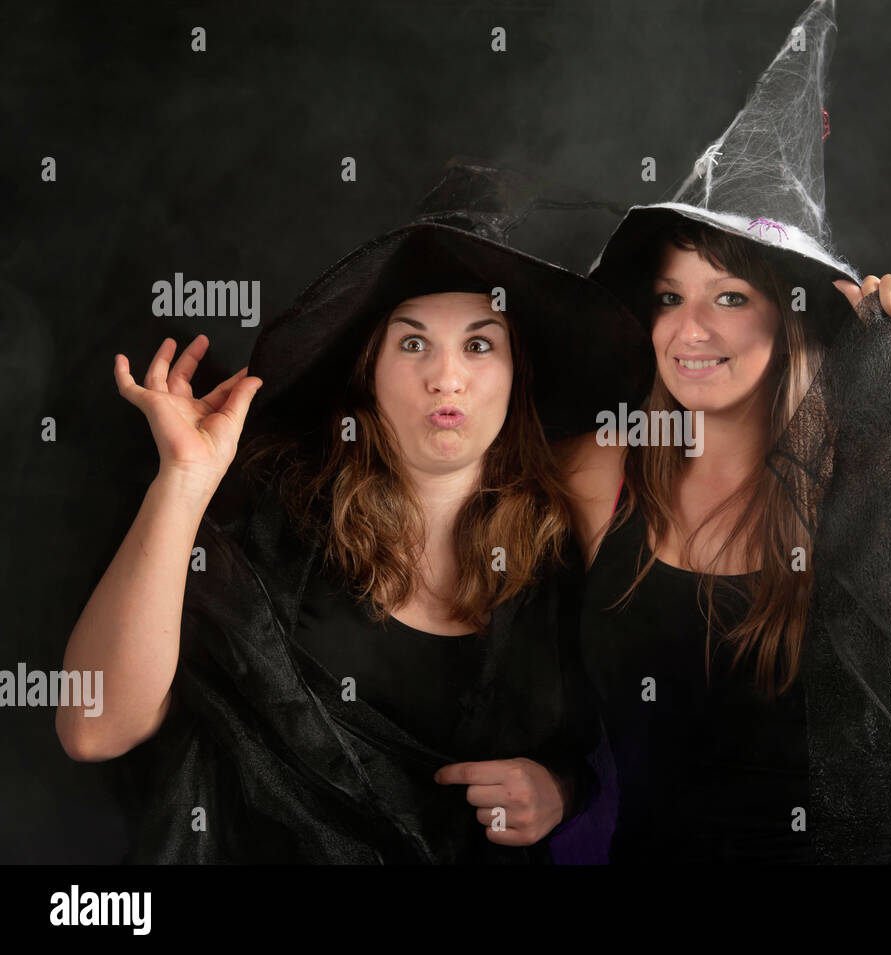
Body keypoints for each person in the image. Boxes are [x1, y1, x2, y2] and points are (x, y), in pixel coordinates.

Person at [54, 161, 651, 863]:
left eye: (480, 343)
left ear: (518, 374)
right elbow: (92, 727)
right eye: (413, 341)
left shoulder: (559, 561)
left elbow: (588, 752)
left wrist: (560, 789)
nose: (446, 376)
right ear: (370, 367)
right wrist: (182, 481)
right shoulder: (271, 520)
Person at [560, 0, 891, 863]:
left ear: (791, 321)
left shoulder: (863, 469)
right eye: (671, 296)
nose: (688, 330)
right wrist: (553, 781)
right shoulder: (606, 469)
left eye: (729, 297)